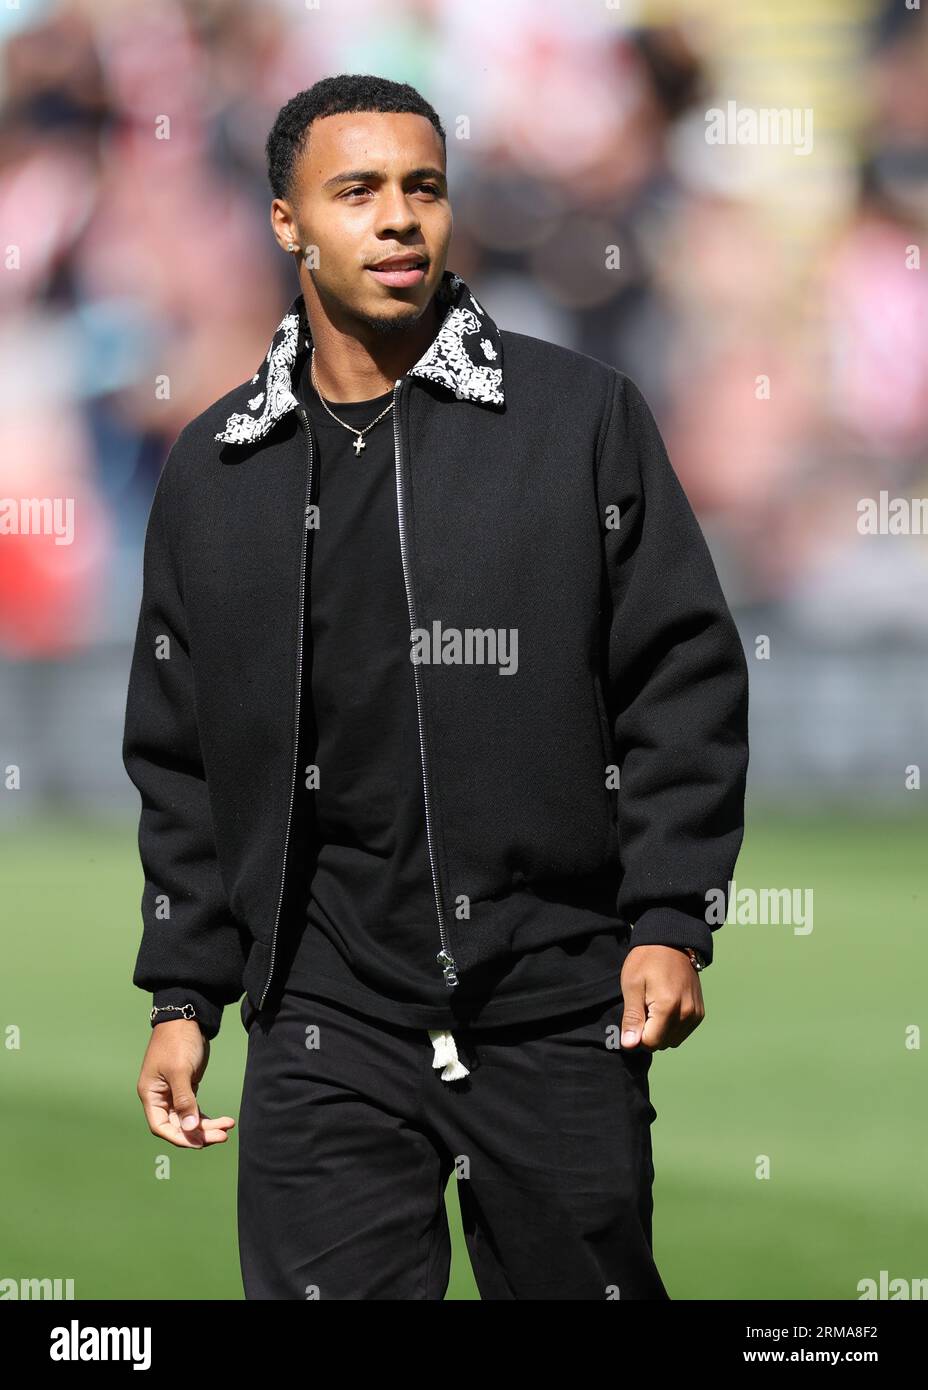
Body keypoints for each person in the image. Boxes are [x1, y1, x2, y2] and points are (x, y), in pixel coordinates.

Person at [126, 74, 749, 1300]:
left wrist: (674, 917)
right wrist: (183, 989)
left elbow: (679, 676)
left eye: (423, 187)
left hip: (558, 1000)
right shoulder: (216, 467)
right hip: (319, 1018)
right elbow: (181, 754)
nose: (399, 218)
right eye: (356, 191)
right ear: (287, 222)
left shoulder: (576, 417)